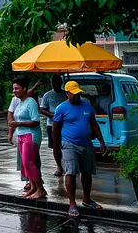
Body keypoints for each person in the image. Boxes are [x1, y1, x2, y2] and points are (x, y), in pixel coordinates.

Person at [53, 81, 108, 218]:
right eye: (74, 94)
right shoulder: (61, 108)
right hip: (69, 143)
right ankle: (72, 203)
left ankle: (87, 199)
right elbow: (55, 129)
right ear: (67, 94)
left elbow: (94, 125)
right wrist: (56, 145)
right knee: (71, 172)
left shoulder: (87, 105)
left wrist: (102, 142)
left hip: (87, 143)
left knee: (87, 172)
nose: (77, 96)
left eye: (78, 93)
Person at [9, 76, 46, 199]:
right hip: (20, 135)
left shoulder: (31, 102)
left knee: (29, 162)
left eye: (17, 88)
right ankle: (33, 187)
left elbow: (35, 121)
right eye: (13, 89)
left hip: (31, 135)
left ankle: (40, 189)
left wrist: (18, 123)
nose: (14, 91)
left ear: (25, 89)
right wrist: (13, 129)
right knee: (25, 164)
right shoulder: (19, 103)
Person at [40, 74, 68, 176]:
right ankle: (59, 166)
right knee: (55, 146)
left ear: (61, 83)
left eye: (57, 82)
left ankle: (68, 164)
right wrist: (52, 115)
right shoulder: (47, 95)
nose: (55, 84)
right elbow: (42, 109)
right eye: (53, 82)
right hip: (52, 124)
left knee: (66, 144)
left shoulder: (66, 94)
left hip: (65, 124)